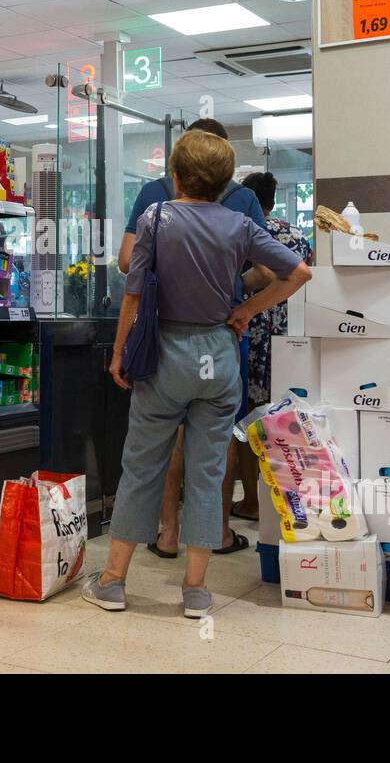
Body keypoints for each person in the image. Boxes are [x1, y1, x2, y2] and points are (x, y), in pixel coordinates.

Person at [85, 130, 312, 617]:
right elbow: (298, 272)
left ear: (175, 176)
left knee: (142, 466)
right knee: (209, 474)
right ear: (227, 180)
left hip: (165, 355)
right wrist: (248, 309)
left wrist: (120, 352)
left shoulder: (156, 217)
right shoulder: (239, 225)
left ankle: (113, 581)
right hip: (219, 355)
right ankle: (195, 591)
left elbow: (134, 292)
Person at [116, 119, 275, 556]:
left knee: (157, 443)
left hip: (161, 337)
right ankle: (216, 537)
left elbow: (128, 262)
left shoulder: (154, 195)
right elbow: (270, 271)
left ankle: (166, 534)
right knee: (211, 444)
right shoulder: (241, 199)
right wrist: (234, 289)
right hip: (221, 336)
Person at [229, 172, 312, 522]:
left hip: (251, 333)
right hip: (292, 338)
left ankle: (252, 500)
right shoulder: (297, 235)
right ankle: (292, 500)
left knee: (248, 424)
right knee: (284, 420)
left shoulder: (245, 233)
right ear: (273, 201)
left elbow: (238, 282)